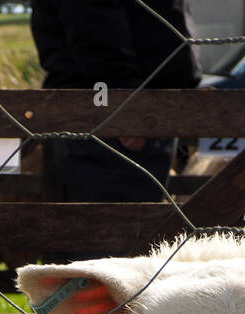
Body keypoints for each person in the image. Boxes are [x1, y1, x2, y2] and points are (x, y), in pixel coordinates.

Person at [30, 0, 201, 202]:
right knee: (115, 223)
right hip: (110, 121)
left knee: (135, 222)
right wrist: (126, 109)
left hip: (141, 111)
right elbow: (95, 31)